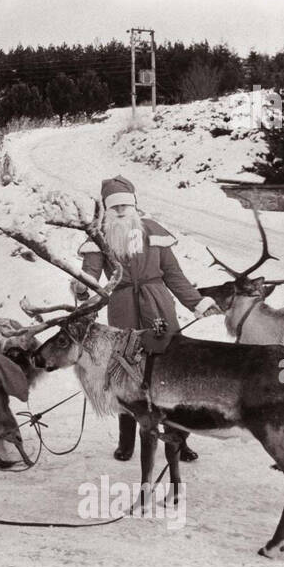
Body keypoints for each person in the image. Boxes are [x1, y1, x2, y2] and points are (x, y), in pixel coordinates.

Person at [73, 176, 220, 462]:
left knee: (170, 373)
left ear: (135, 206)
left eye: (125, 205)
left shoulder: (154, 232)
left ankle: (178, 439)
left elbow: (174, 274)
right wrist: (81, 287)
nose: (120, 211)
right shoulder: (100, 237)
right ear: (106, 208)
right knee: (126, 374)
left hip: (158, 307)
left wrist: (197, 302)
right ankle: (126, 440)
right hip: (122, 308)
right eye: (115, 207)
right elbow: (89, 276)